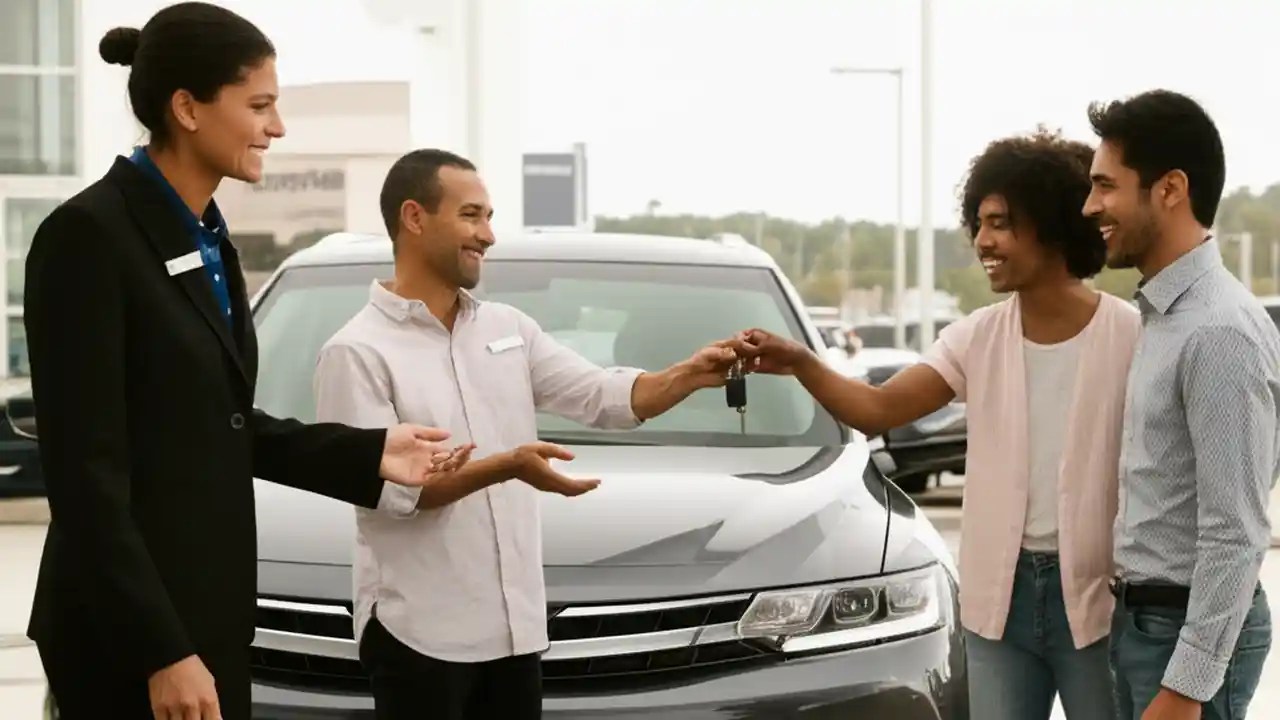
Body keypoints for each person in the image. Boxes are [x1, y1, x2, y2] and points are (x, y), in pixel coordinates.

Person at [23, 5, 467, 719]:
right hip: (126, 638)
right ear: (187, 109)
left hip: (207, 620)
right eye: (260, 105)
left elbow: (216, 422)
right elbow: (85, 482)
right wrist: (160, 651)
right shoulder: (87, 237)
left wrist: (371, 452)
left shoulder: (209, 241)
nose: (278, 127)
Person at [312, 148, 740, 719]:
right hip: (418, 638)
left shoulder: (508, 327)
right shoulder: (356, 352)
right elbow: (391, 494)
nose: (487, 235)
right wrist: (508, 465)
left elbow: (602, 397)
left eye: (488, 217)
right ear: (414, 218)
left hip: (514, 635)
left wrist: (688, 375)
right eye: (471, 215)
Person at [729, 129, 1140, 720]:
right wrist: (799, 362)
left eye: (1000, 222)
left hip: (1098, 601)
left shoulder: (1130, 336)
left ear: (1053, 224)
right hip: (1000, 602)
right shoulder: (978, 336)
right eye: (977, 222)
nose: (983, 240)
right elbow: (877, 409)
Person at [1083, 89, 1280, 720]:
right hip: (1147, 623)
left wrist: (1186, 688)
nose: (1091, 206)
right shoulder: (1167, 317)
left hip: (1183, 635)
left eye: (1106, 185)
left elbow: (1236, 530)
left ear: (1169, 189)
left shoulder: (1217, 330)